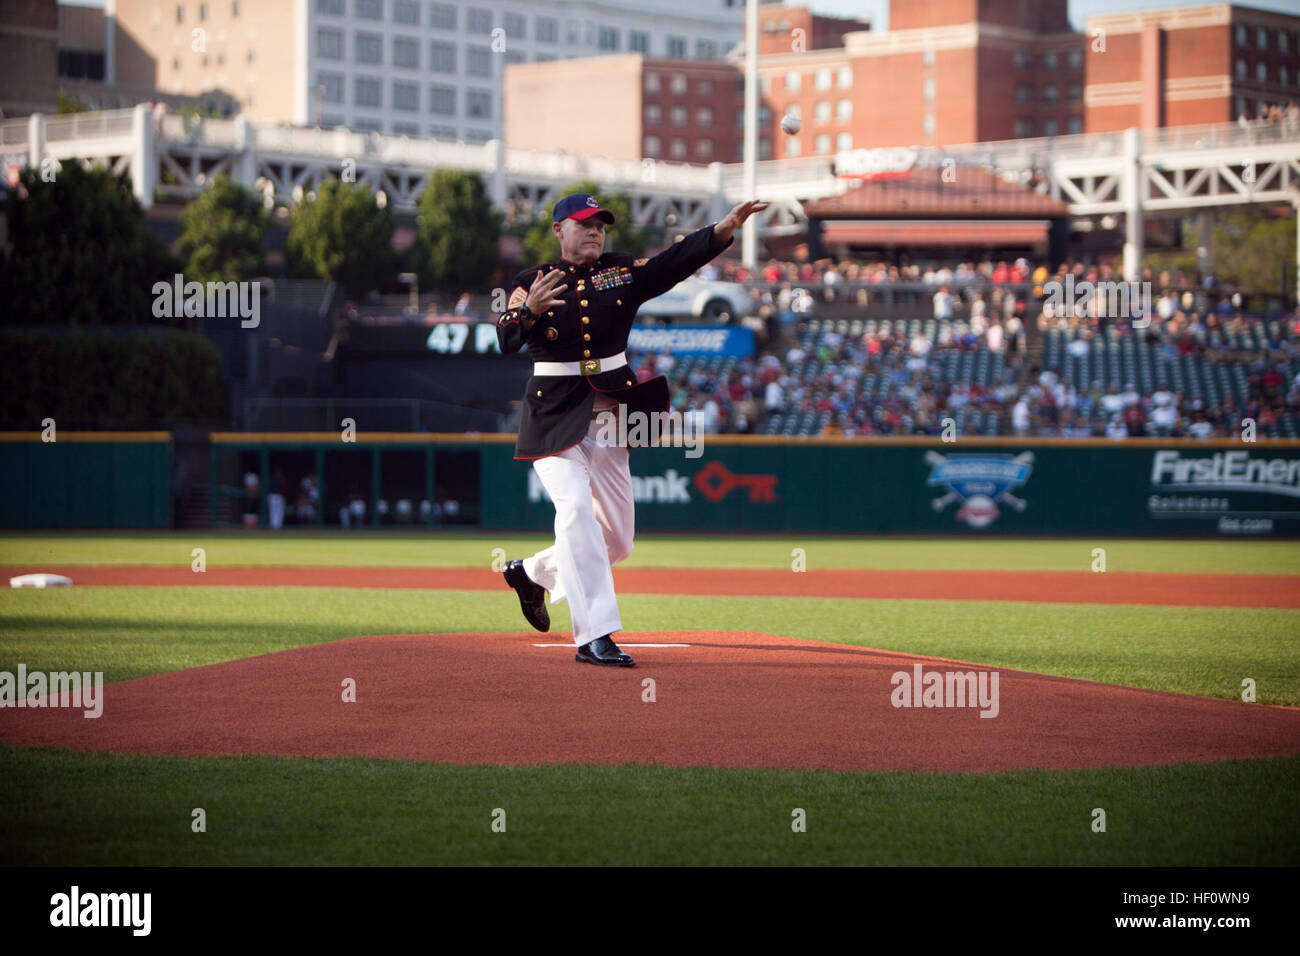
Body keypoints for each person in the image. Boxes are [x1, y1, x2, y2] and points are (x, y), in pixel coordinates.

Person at [496, 192, 766, 667]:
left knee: (618, 541)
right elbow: (505, 338)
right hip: (553, 416)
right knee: (576, 509)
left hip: (612, 414)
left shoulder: (621, 271)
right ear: (559, 230)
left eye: (601, 224)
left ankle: (533, 573)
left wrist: (722, 230)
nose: (596, 231)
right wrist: (529, 311)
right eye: (584, 224)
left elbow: (672, 262)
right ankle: (594, 635)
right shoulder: (530, 281)